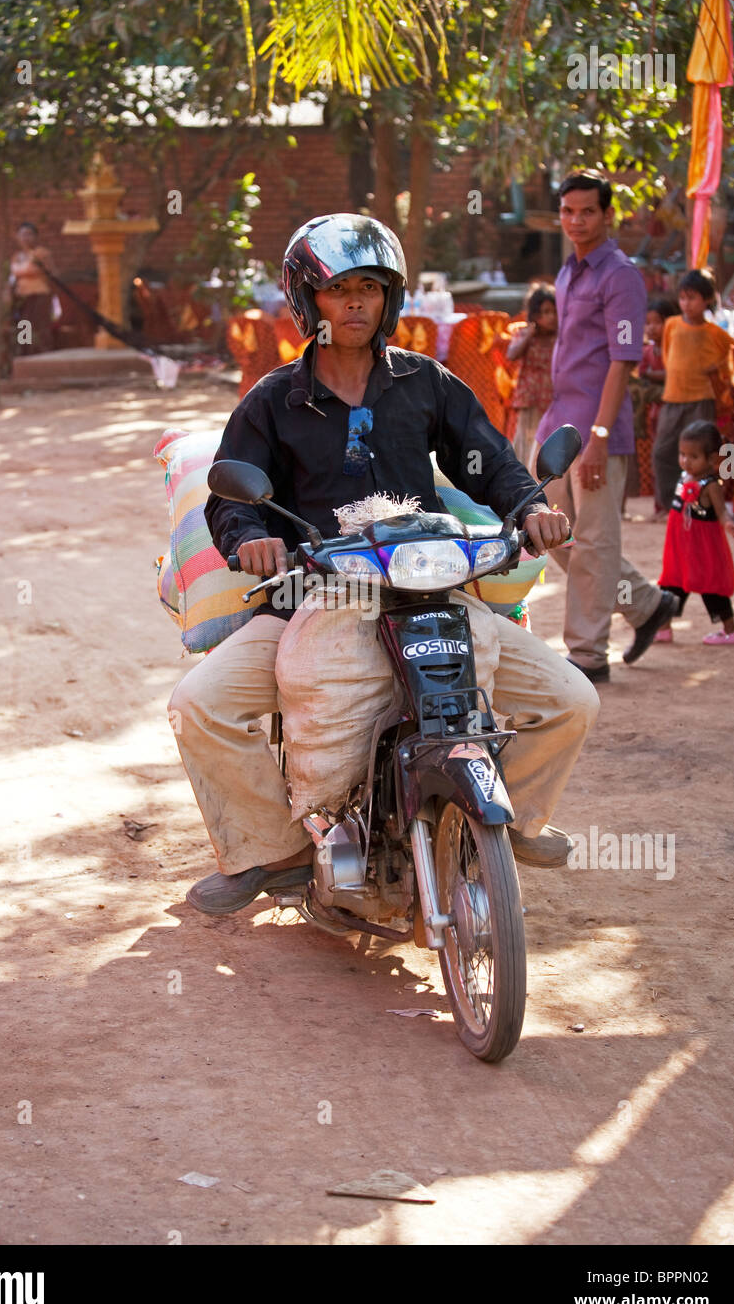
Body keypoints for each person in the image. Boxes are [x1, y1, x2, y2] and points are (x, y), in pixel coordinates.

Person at [168, 212, 600, 916]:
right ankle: (269, 852)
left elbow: (489, 461)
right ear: (310, 299)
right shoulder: (274, 400)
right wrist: (251, 539)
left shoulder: (426, 384)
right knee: (198, 706)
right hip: (316, 597)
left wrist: (528, 508)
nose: (358, 303)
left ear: (391, 298)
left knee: (571, 701)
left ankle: (502, 825)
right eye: (341, 289)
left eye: (371, 287)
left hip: (430, 593)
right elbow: (231, 495)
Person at [537, 171, 679, 683]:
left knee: (594, 541)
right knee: (549, 530)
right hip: (559, 427)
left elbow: (623, 362)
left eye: (587, 211)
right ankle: (646, 604)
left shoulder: (619, 276)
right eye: (568, 211)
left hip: (599, 431)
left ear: (607, 214)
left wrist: (597, 438)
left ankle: (588, 655)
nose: (576, 221)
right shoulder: (568, 271)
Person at [652, 269, 733, 513]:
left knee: (703, 456)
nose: (686, 304)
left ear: (707, 299)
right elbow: (668, 356)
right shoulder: (671, 325)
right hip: (673, 398)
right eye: (683, 298)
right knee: (662, 453)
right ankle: (671, 505)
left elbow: (730, 360)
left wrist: (715, 370)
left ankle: (703, 505)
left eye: (693, 298)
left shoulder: (715, 333)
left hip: (702, 400)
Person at [655, 420, 734, 647]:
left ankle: (731, 631)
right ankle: (663, 629)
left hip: (703, 550)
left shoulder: (711, 484)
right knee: (671, 585)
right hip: (680, 547)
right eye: (682, 454)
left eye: (693, 456)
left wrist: (729, 524)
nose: (685, 461)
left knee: (711, 588)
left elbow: (722, 513)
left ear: (712, 459)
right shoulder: (684, 477)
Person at [630, 296, 679, 517]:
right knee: (659, 456)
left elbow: (674, 373)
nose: (652, 327)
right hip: (654, 413)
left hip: (675, 409)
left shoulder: (675, 347)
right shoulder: (648, 351)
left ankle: (676, 504)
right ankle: (661, 506)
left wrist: (651, 376)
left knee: (674, 456)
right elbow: (641, 376)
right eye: (648, 322)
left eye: (657, 322)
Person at [505, 283, 557, 469]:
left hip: (553, 400)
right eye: (545, 312)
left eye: (554, 312)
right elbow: (511, 355)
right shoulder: (525, 334)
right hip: (530, 400)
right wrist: (529, 335)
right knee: (527, 445)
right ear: (535, 314)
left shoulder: (560, 338)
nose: (551, 317)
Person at [10, 222, 55, 355]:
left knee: (39, 324)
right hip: (21, 296)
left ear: (36, 237)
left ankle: (44, 353)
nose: (26, 238)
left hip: (39, 294)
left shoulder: (41, 253)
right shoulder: (16, 256)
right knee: (24, 324)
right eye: (23, 235)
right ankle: (26, 354)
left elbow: (50, 272)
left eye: (29, 234)